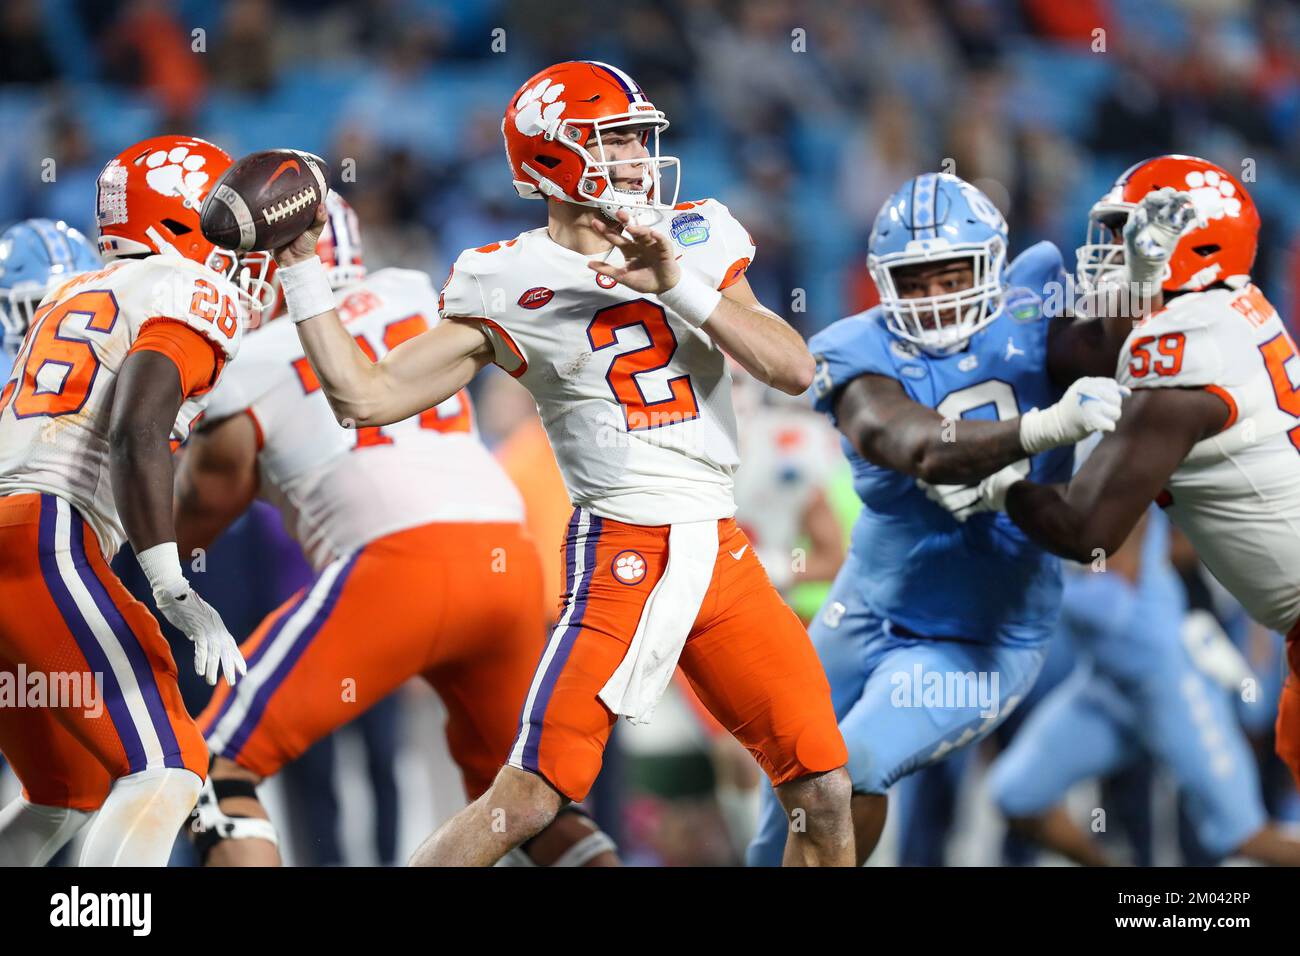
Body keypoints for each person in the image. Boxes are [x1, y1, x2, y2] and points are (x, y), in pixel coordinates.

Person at [275, 60, 854, 866]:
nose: (638, 157)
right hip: (621, 549)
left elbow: (792, 367)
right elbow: (365, 396)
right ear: (553, 157)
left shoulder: (697, 232)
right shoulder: (507, 279)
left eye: (637, 138)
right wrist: (303, 271)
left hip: (720, 549)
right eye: (614, 140)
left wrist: (679, 286)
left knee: (823, 789)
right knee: (529, 800)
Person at [175, 192, 616, 866]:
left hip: (397, 566)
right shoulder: (410, 294)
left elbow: (187, 531)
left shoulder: (250, 366)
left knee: (211, 766)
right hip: (507, 554)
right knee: (527, 799)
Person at [749, 172, 1128, 866]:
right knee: (777, 812)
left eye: (950, 276)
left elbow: (1112, 348)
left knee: (851, 769)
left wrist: (1150, 284)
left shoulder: (1034, 307)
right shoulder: (854, 349)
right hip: (863, 608)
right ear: (883, 282)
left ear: (992, 266)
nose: (932, 298)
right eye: (914, 280)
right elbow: (914, 444)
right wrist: (1040, 430)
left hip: (980, 635)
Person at [945, 155, 1300, 793]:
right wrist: (1140, 277)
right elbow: (1109, 349)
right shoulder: (1228, 305)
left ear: (1192, 247)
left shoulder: (1185, 358)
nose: (1107, 252)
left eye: (1126, 235)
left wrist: (996, 486)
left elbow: (1087, 530)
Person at [0, 136, 257, 866]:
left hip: (16, 529)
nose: (236, 238)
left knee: (65, 792)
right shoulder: (189, 289)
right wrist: (173, 587)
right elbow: (135, 428)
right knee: (169, 764)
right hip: (44, 534)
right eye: (221, 212)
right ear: (183, 219)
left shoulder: (72, 290)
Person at [990, 508, 1300, 865]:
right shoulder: (1052, 474)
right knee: (1014, 794)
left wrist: (1020, 588)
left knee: (1244, 837)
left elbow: (1114, 595)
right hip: (1107, 688)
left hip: (1172, 686)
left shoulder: (1127, 475)